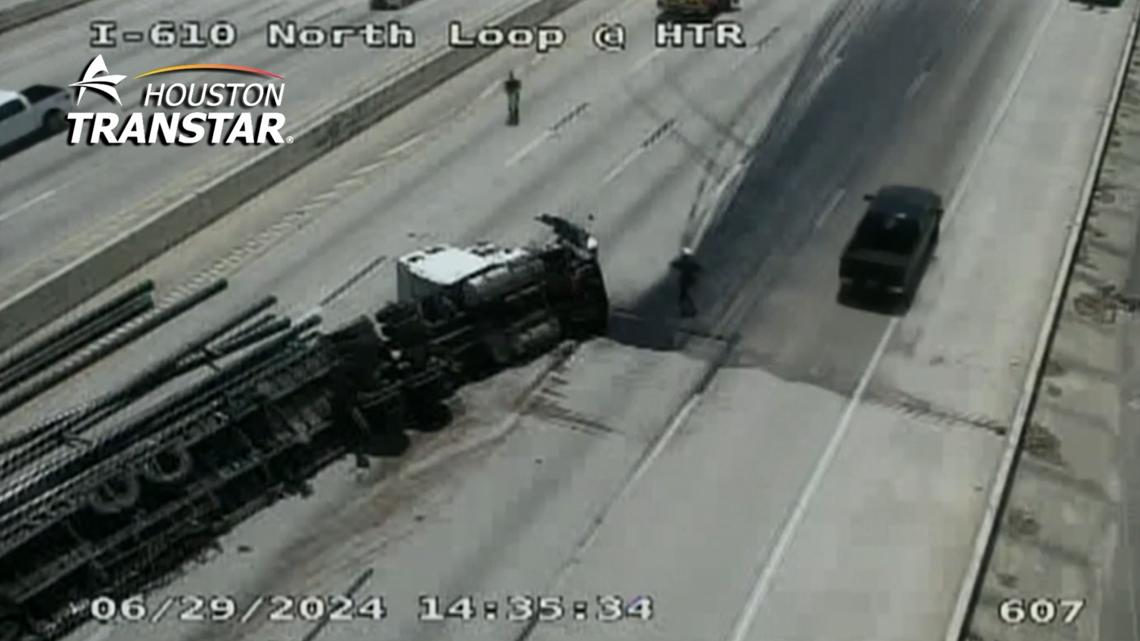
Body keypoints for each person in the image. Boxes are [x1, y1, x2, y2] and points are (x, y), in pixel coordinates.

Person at [671, 247, 702, 317]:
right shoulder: (690, 263)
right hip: (690, 280)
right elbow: (699, 268)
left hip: (686, 281)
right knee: (684, 296)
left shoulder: (683, 262)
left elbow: (674, 264)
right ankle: (687, 311)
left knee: (683, 296)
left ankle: (688, 311)